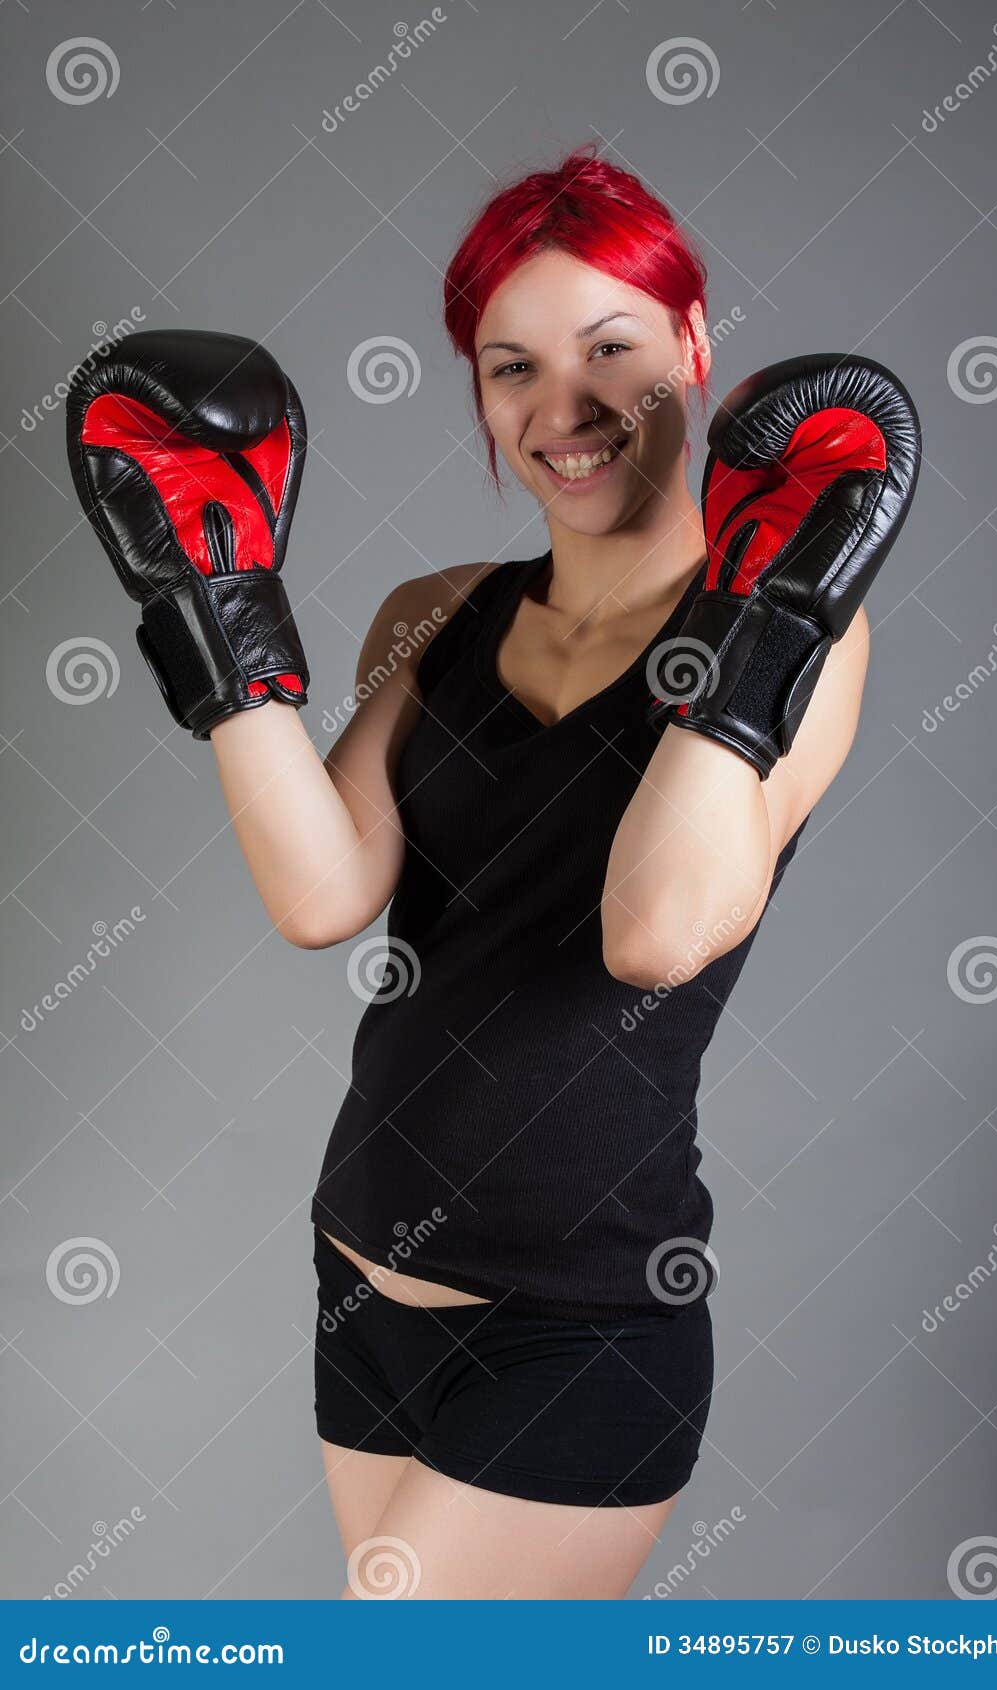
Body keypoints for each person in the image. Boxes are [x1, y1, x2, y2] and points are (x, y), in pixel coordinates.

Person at [65, 144, 919, 1600]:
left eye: (612, 351)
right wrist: (216, 612)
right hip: (361, 1279)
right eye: (511, 365)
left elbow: (658, 932)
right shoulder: (437, 612)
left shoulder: (806, 628)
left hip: (579, 1313)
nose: (562, 409)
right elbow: (321, 895)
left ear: (697, 343)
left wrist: (762, 615)